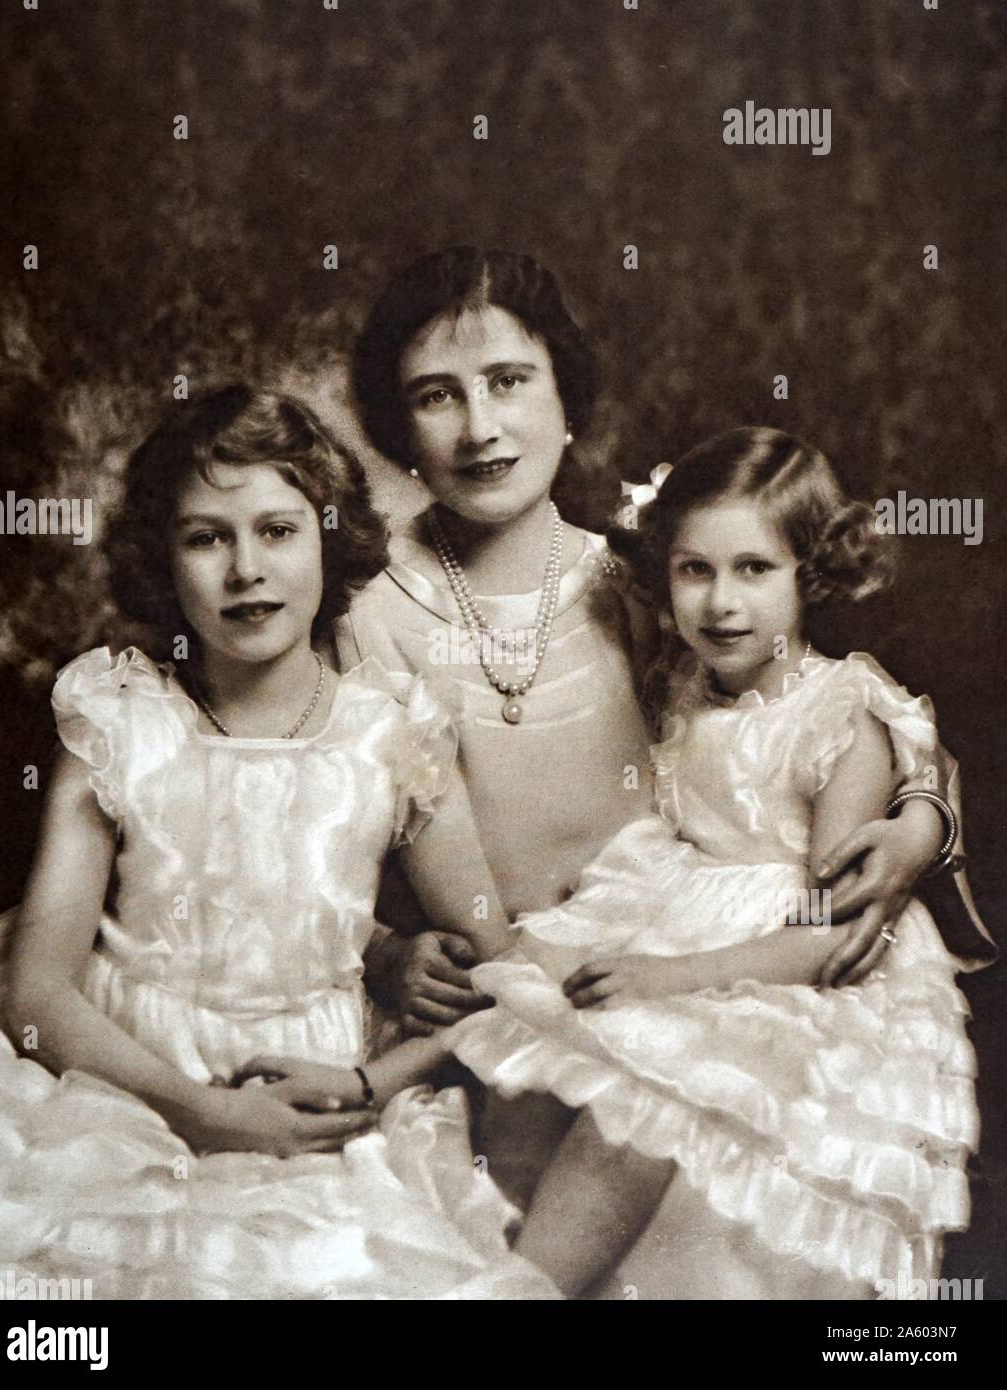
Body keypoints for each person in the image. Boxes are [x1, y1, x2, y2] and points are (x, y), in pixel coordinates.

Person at [337, 246, 972, 1214]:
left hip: (665, 988)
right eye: (436, 395)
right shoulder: (363, 609)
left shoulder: (646, 579)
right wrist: (384, 949)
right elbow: (282, 818)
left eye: (509, 381)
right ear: (398, 427)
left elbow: (827, 715)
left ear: (567, 399)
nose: (480, 427)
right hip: (488, 1006)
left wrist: (924, 817)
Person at [0, 385, 559, 1300]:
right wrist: (203, 1112)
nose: (246, 569)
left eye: (278, 531)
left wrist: (370, 1082)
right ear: (163, 559)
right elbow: (37, 990)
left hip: (322, 1097)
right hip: (122, 1087)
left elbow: (502, 976)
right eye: (207, 538)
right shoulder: (118, 720)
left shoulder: (392, 733)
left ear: (328, 540)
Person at [450, 426, 994, 1298]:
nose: (721, 603)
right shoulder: (687, 687)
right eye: (695, 570)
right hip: (684, 920)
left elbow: (831, 927)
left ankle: (528, 1287)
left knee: (650, 1111)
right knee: (533, 1046)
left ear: (810, 575)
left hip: (794, 981)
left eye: (754, 570)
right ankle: (515, 1271)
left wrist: (670, 977)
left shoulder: (843, 713)